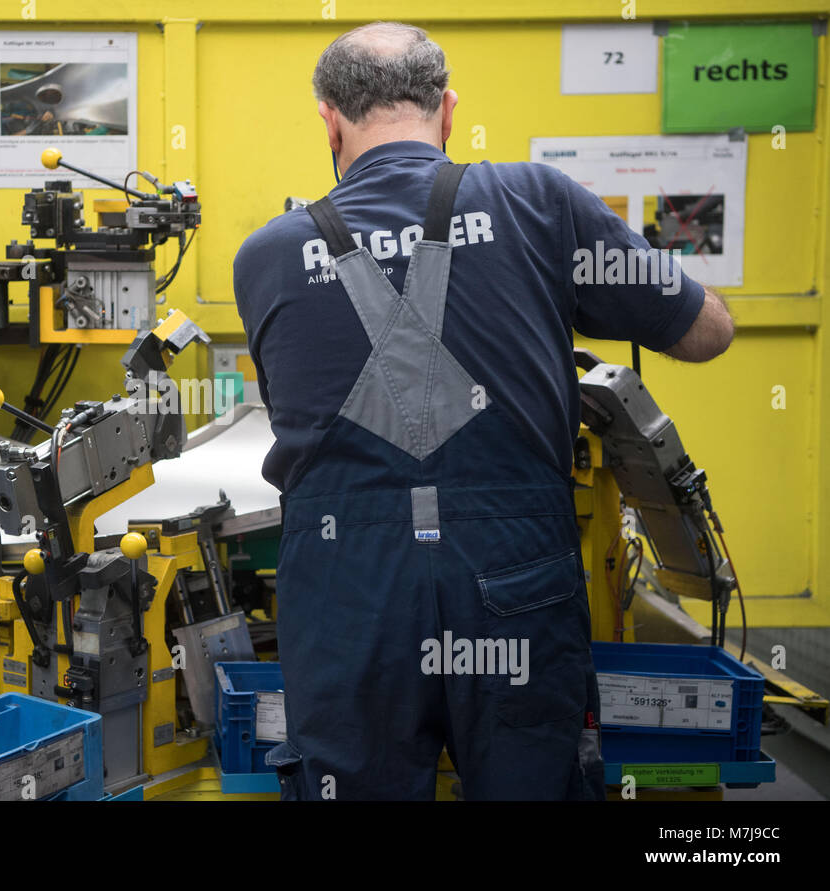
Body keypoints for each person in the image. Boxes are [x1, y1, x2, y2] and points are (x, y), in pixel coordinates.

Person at [232, 21, 734, 800]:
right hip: (514, 578)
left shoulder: (264, 256)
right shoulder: (538, 201)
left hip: (346, 591)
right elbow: (710, 333)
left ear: (328, 120)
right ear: (449, 110)